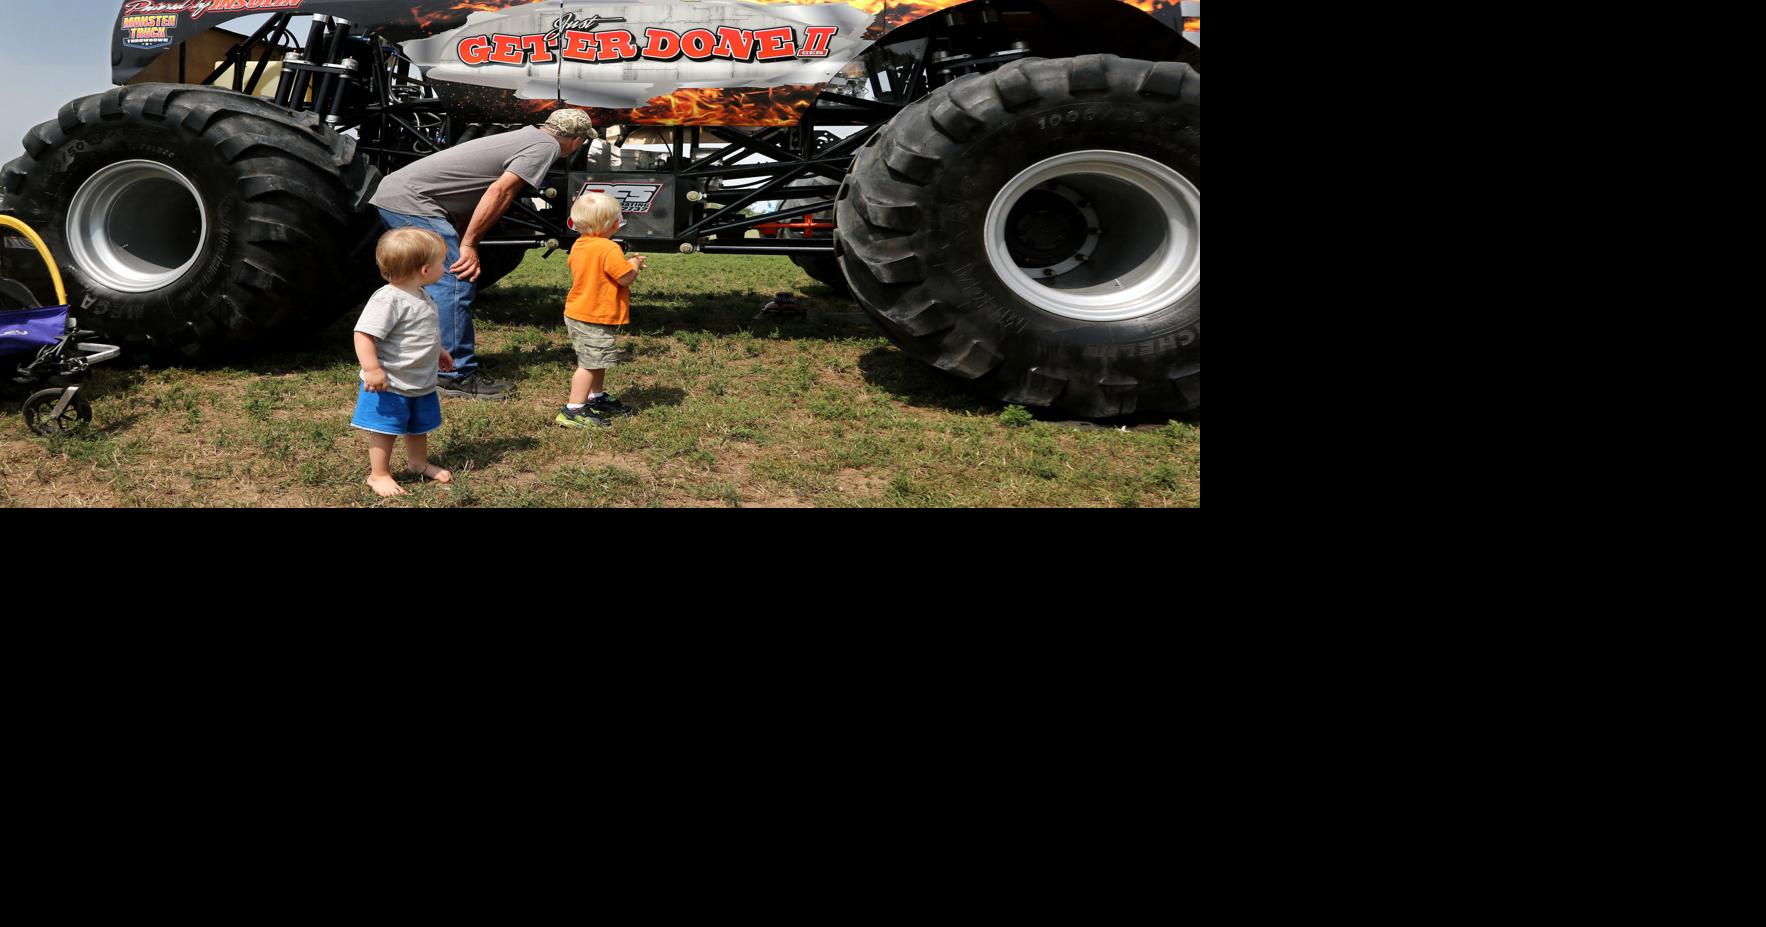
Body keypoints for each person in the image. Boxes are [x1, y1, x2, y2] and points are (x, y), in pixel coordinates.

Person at [371, 108, 597, 400]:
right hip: (412, 200)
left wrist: (464, 236)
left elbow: (471, 192)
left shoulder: (527, 136)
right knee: (455, 280)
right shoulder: (547, 147)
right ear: (576, 140)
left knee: (445, 280)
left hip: (404, 194)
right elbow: (499, 192)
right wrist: (468, 246)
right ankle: (453, 374)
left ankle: (443, 359)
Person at [351, 228, 455, 498]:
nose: (444, 266)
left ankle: (417, 463)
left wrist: (439, 351)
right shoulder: (389, 299)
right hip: (390, 382)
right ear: (424, 269)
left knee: (418, 425)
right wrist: (373, 370)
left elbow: (419, 331)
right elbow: (364, 334)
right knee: (385, 429)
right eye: (441, 262)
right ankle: (378, 474)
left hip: (419, 380)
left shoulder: (420, 294)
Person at [556, 193, 647, 429]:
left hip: (580, 311)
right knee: (588, 363)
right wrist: (634, 264)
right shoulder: (608, 248)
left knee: (597, 359)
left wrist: (624, 262)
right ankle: (573, 409)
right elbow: (625, 278)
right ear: (614, 224)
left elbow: (602, 270)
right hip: (593, 314)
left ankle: (596, 397)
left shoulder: (580, 244)